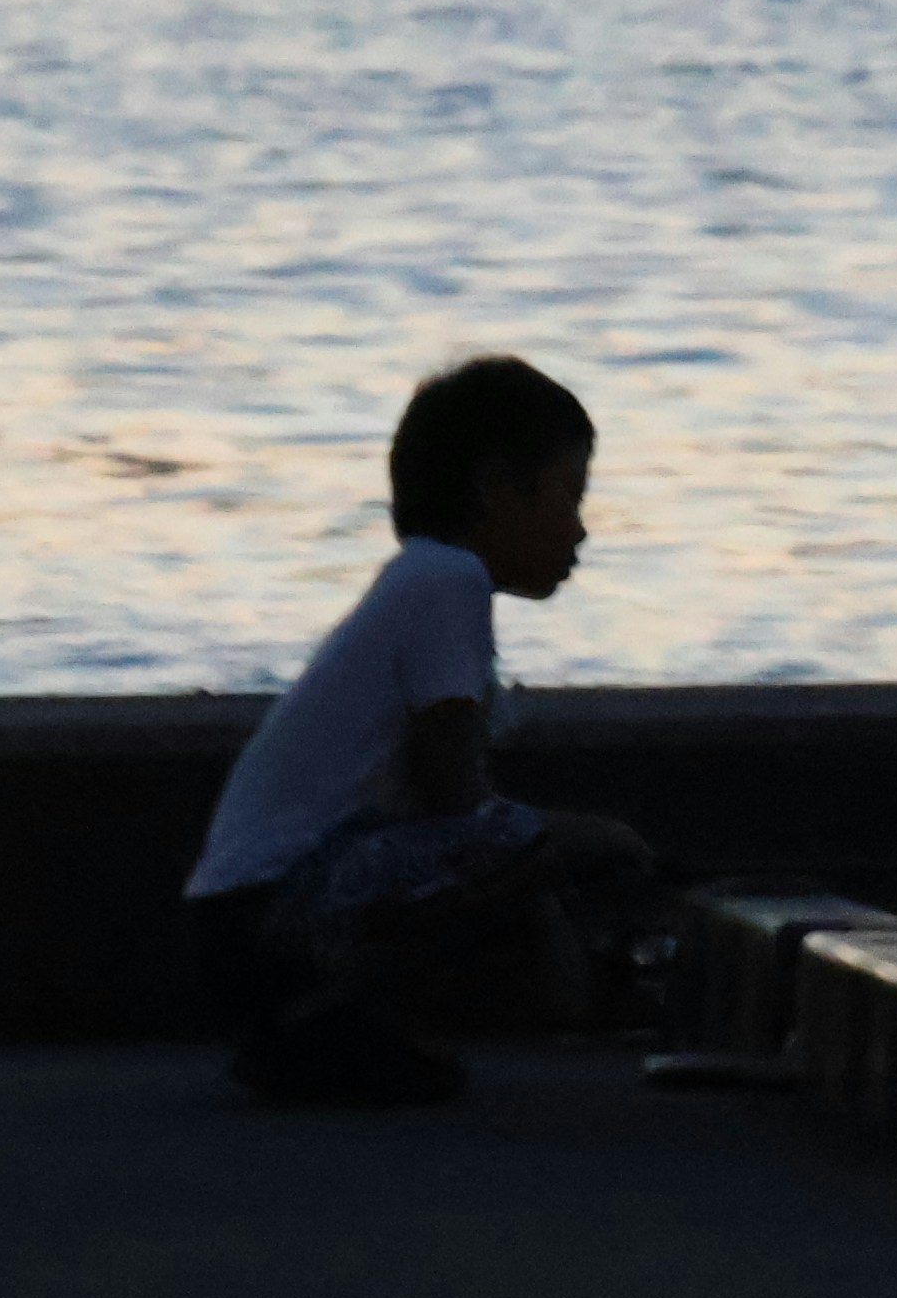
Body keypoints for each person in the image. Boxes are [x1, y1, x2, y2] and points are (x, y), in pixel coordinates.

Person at [180, 354, 658, 1105]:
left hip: (246, 922)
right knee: (594, 850)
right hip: (275, 915)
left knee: (545, 850)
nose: (581, 530)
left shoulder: (422, 580)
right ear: (498, 490)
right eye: (569, 495)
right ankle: (326, 1013)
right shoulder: (446, 582)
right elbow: (455, 797)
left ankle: (336, 1032)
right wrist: (578, 857)